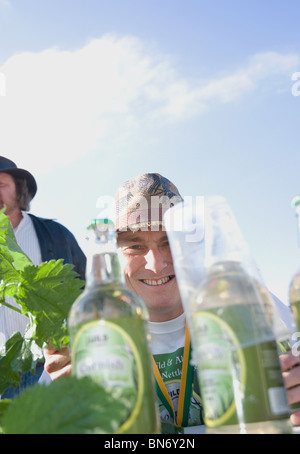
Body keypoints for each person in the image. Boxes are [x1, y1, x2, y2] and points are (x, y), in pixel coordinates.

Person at [44, 172, 300, 431]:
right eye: (135, 246)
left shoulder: (240, 301)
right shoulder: (92, 330)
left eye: (169, 242)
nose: (156, 265)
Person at [0, 156, 86, 399]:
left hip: (53, 368)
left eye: (0, 185)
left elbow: (86, 292)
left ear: (19, 191)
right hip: (2, 374)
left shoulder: (56, 235)